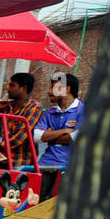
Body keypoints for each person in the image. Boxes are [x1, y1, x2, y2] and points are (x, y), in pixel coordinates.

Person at [33, 73, 83, 201]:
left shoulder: (83, 111)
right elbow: (37, 136)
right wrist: (65, 131)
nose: (49, 91)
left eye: (54, 87)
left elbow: (76, 138)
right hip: (45, 165)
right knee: (35, 205)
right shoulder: (49, 112)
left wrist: (49, 135)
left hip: (69, 169)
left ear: (67, 89)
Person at [0, 72, 42, 172]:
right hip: (2, 158)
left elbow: (20, 138)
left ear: (24, 88)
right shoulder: (9, 105)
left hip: (20, 162)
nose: (8, 88)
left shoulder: (34, 107)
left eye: (12, 86)